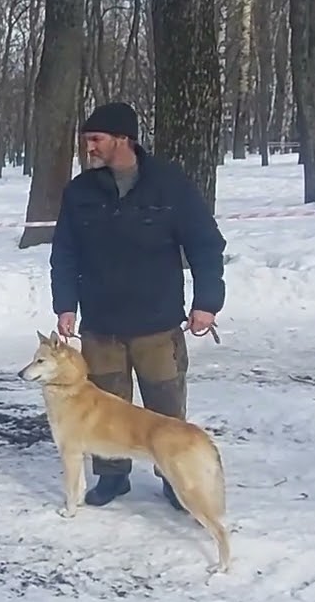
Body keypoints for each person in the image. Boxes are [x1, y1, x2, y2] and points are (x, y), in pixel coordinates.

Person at [48, 102, 226, 510]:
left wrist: (207, 301)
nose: (89, 147)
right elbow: (65, 253)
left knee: (165, 406)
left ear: (123, 139)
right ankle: (112, 479)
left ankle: (174, 477)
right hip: (101, 325)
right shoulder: (81, 192)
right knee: (104, 408)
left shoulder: (169, 184)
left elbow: (205, 243)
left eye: (96, 139)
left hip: (157, 325)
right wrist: (65, 305)